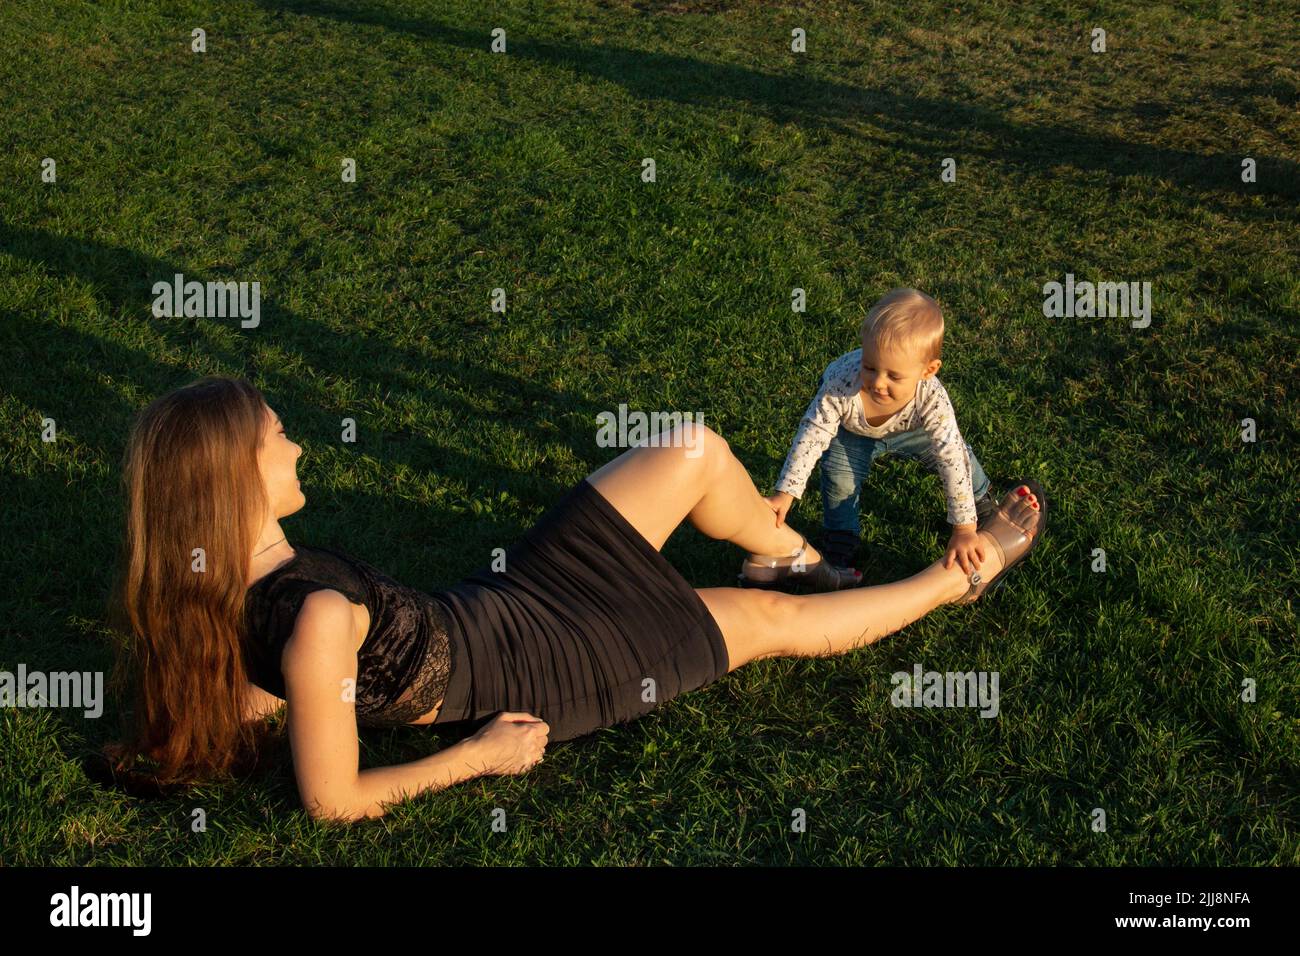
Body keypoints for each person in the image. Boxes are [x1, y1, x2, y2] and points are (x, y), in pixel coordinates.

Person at [102, 375, 1045, 823]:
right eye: (277, 439)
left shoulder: (236, 591)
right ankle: (955, 580)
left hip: (510, 596)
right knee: (767, 627)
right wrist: (475, 757)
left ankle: (800, 558)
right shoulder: (307, 623)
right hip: (544, 665)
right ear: (235, 481)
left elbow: (265, 693)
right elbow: (333, 800)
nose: (296, 445)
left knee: (694, 448)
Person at [754, 288, 998, 589]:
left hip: (913, 430)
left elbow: (950, 455)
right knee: (840, 479)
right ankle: (841, 540)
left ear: (928, 370)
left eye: (894, 376)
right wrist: (785, 493)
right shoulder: (842, 382)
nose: (878, 383)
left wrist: (963, 528)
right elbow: (813, 433)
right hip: (851, 431)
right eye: (870, 367)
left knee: (960, 455)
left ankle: (981, 501)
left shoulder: (933, 398)